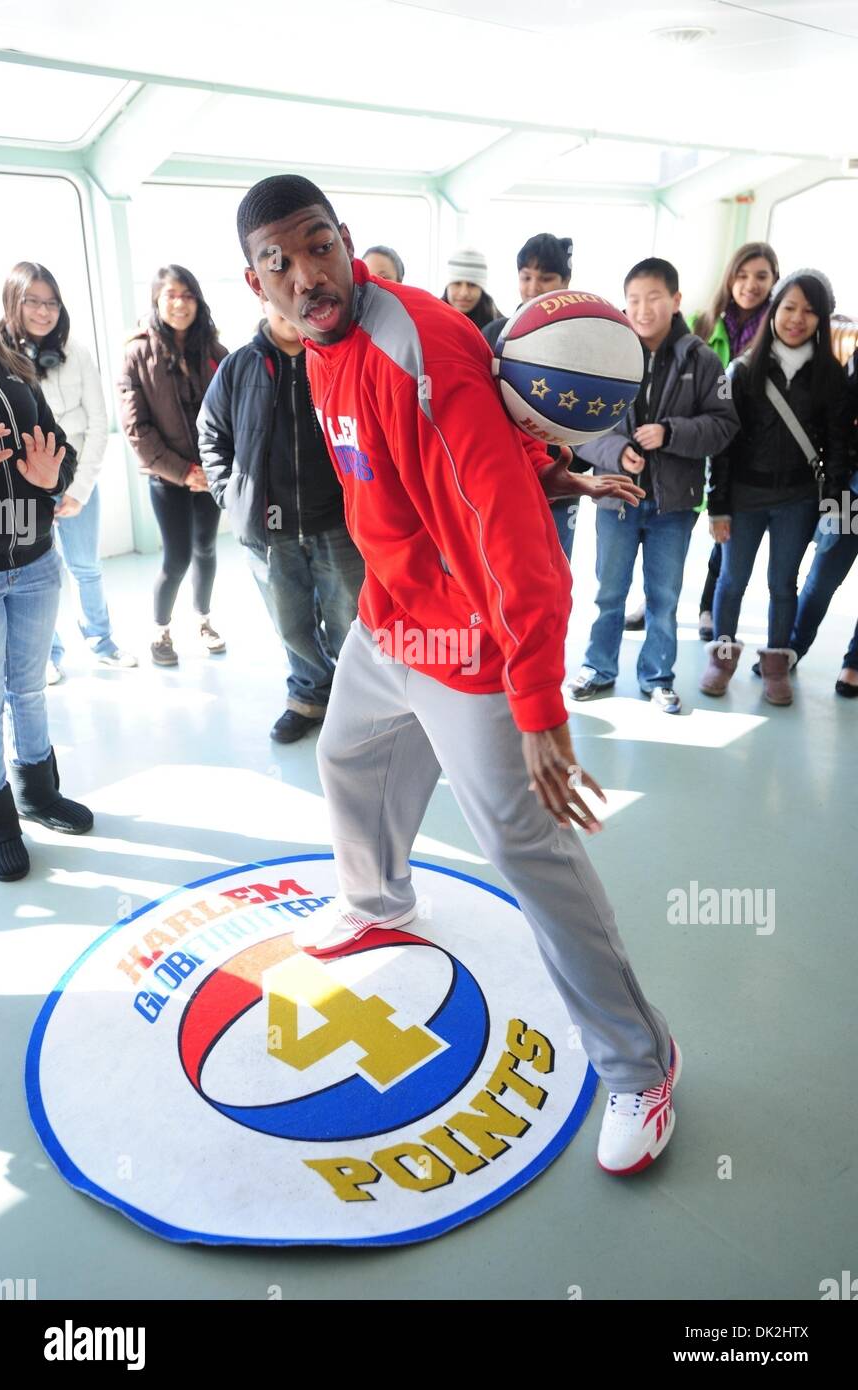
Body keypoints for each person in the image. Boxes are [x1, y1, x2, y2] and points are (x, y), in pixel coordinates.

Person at [235, 172, 677, 1178]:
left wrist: (537, 705)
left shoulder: (421, 348)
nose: (307, 275)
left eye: (317, 246)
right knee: (347, 759)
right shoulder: (319, 344)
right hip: (391, 620)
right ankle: (379, 899)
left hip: (469, 639)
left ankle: (639, 1063)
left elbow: (514, 543)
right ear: (256, 278)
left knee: (528, 848)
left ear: (346, 238)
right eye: (281, 262)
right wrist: (547, 463)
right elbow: (441, 472)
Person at [569, 258, 739, 714]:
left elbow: (725, 426)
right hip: (616, 499)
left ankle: (657, 677)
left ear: (676, 300)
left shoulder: (702, 358)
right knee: (609, 592)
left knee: (663, 597)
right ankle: (598, 668)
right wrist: (615, 452)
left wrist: (672, 433)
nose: (643, 310)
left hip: (674, 506)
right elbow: (583, 429)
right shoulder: (609, 356)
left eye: (654, 298)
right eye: (634, 301)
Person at [199, 296, 365, 742]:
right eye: (279, 304)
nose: (290, 315)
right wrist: (229, 495)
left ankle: (352, 700)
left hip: (336, 519)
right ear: (263, 300)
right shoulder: (240, 366)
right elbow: (211, 433)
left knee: (348, 617)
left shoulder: (337, 357)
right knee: (290, 622)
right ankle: (309, 695)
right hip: (268, 525)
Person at [701, 268, 852, 705]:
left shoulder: (830, 375)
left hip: (798, 500)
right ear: (774, 311)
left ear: (821, 319)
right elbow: (723, 447)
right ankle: (722, 658)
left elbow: (837, 447)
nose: (797, 318)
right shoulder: (743, 370)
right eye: (789, 307)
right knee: (732, 580)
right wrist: (719, 507)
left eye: (809, 311)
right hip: (744, 498)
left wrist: (834, 507)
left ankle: (776, 666)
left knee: (783, 584)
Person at [0, 262, 137, 683]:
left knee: (85, 566)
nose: (44, 312)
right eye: (33, 302)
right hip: (17, 488)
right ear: (13, 303)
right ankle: (47, 654)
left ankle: (102, 641)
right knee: (34, 571)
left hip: (75, 480)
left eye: (52, 303)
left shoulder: (76, 353)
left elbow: (98, 423)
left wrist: (77, 489)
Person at [0, 324, 94, 882]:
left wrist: (54, 476)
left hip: (34, 562)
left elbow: (62, 451)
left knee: (28, 689)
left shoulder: (12, 364)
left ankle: (38, 792)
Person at [118, 266, 228, 667]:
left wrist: (213, 469)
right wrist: (183, 471)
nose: (179, 303)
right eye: (170, 295)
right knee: (177, 556)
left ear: (198, 301)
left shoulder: (216, 352)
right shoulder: (136, 352)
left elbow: (232, 417)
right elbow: (137, 429)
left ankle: (204, 620)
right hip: (168, 478)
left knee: (207, 549)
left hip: (210, 475)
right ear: (156, 301)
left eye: (188, 295)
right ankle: (160, 630)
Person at [689, 242, 780, 640]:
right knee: (674, 523)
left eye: (761, 276)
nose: (750, 285)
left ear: (775, 280)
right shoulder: (703, 323)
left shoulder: (779, 328)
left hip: (742, 451)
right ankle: (654, 599)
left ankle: (708, 606)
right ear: (729, 278)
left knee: (723, 533)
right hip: (697, 439)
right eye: (742, 275)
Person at [482, 233, 584, 562]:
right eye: (526, 277)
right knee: (501, 573)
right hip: (502, 482)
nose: (534, 288)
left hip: (561, 477)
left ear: (566, 282)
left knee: (555, 567)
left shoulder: (586, 339)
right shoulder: (495, 334)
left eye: (545, 278)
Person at [789, 339, 858, 697]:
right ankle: (791, 648)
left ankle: (855, 663)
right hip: (853, 492)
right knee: (824, 571)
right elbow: (844, 410)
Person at [441, 248, 502, 330]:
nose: (464, 293)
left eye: (472, 285)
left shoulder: (498, 330)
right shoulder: (432, 320)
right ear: (447, 286)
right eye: (457, 283)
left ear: (482, 289)